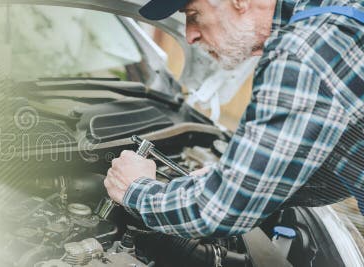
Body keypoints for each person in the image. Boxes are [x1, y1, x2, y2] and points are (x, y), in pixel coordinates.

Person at [104, 0, 364, 238]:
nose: (190, 36)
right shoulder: (337, 21)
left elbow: (218, 212)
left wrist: (135, 190)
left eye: (194, 15)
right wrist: (238, 179)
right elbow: (340, 172)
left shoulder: (303, 52)